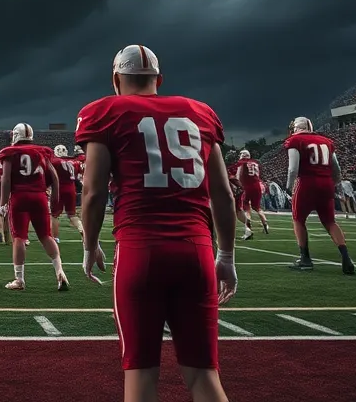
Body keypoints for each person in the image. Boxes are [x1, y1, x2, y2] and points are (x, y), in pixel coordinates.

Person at [77, 44, 237, 402]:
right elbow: (223, 195)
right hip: (197, 249)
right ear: (158, 80)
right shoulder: (200, 112)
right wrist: (225, 256)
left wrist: (89, 245)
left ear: (116, 79)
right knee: (204, 377)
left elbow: (92, 191)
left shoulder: (105, 110)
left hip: (139, 249)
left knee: (141, 377)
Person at [0, 124, 67, 291]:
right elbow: (55, 178)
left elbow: (6, 179)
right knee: (46, 236)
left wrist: (2, 202)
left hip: (19, 197)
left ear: (15, 135)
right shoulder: (41, 152)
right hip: (40, 197)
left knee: (19, 238)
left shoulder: (10, 152)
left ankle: (19, 279)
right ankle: (60, 271)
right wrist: (55, 199)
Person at [285, 117, 354, 274]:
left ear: (296, 127)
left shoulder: (295, 140)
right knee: (330, 221)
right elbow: (336, 168)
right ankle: (346, 257)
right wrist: (334, 184)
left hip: (306, 182)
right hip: (326, 182)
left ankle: (305, 259)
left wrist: (289, 187)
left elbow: (292, 169)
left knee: (298, 219)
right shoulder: (326, 141)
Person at [49, 145, 83, 242]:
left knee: (55, 215)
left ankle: (55, 238)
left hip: (58, 189)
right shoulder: (75, 162)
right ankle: (82, 230)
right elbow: (78, 176)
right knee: (72, 214)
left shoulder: (54, 162)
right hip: (71, 188)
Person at [234, 149, 269, 240]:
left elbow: (238, 175)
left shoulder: (241, 162)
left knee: (246, 208)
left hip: (246, 187)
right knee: (257, 207)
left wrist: (237, 184)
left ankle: (248, 230)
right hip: (257, 186)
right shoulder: (255, 162)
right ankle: (265, 224)